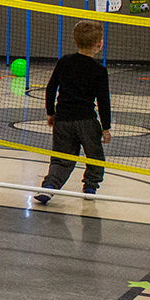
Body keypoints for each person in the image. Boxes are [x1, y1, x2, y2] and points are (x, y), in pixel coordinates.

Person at [34, 20, 111, 203]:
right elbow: (103, 102)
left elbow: (51, 88)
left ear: (75, 42)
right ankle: (90, 187)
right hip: (86, 122)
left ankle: (50, 186)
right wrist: (106, 128)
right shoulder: (99, 71)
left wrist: (51, 113)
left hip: (63, 120)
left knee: (61, 159)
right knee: (95, 157)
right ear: (99, 44)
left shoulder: (64, 62)